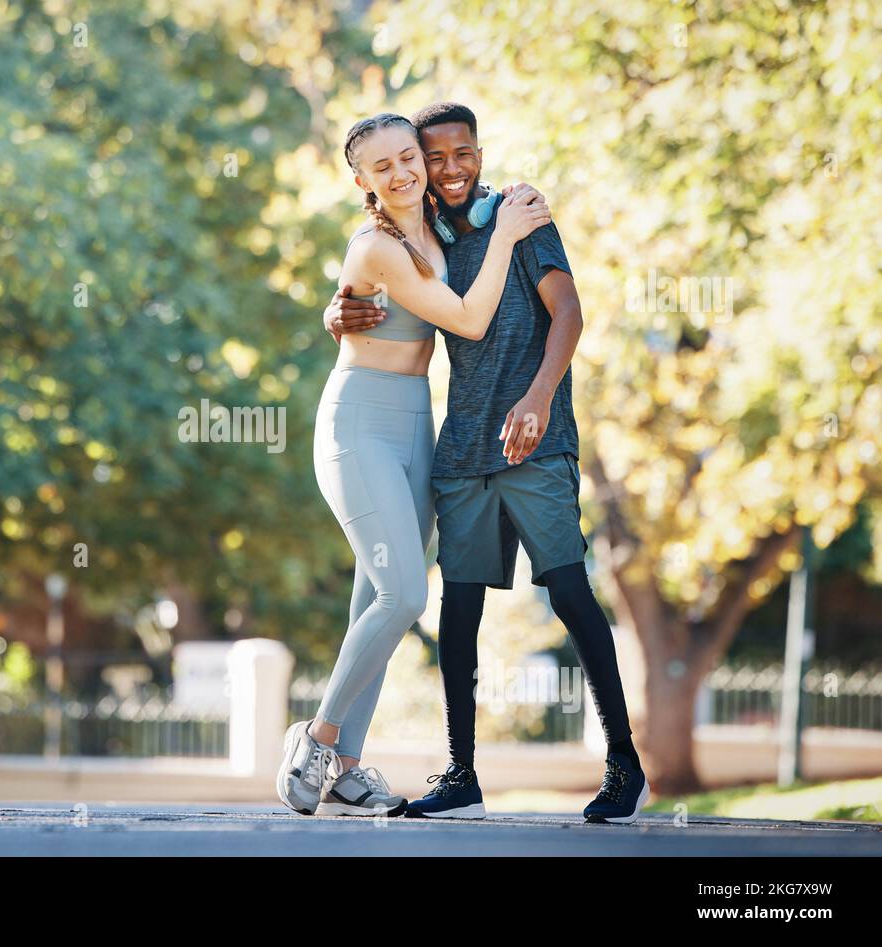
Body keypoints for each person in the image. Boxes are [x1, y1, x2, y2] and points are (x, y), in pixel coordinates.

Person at [323, 102, 649, 824]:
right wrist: (335, 308)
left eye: (458, 153)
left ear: (479, 150)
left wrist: (538, 397)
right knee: (458, 610)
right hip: (462, 445)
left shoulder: (521, 217)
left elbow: (570, 313)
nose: (446, 168)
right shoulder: (431, 235)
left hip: (536, 438)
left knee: (570, 592)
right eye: (430, 157)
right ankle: (461, 773)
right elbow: (380, 277)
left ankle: (624, 762)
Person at [277, 112, 550, 817]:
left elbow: (481, 207)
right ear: (362, 181)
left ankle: (346, 768)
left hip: (414, 421)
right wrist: (511, 237)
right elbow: (467, 318)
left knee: (375, 598)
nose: (403, 173)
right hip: (358, 422)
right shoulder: (376, 244)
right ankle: (318, 736)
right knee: (403, 593)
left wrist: (510, 208)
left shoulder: (442, 224)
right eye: (383, 166)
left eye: (410, 158)